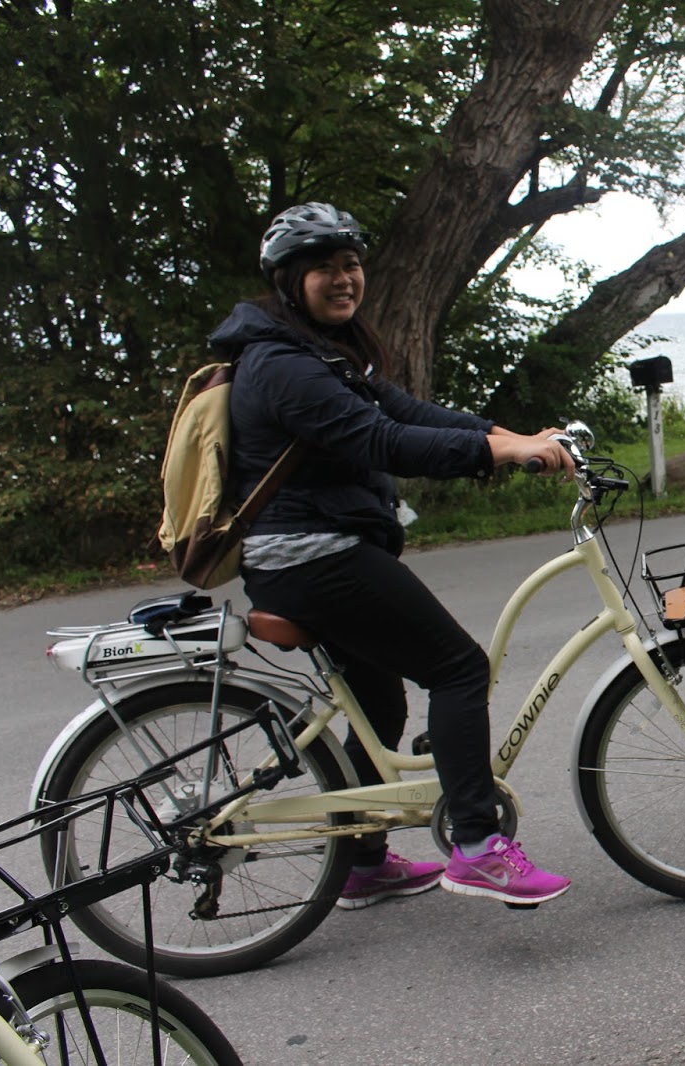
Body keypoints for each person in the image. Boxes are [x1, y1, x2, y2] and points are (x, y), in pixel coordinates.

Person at [210, 202, 575, 909]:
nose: (345, 278)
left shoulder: (317, 348)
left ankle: (361, 862)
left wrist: (511, 434)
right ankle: (476, 846)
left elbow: (406, 411)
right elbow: (382, 442)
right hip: (309, 557)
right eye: (326, 267)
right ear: (289, 279)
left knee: (378, 698)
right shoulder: (281, 365)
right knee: (459, 668)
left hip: (317, 550)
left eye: (352, 264)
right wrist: (496, 452)